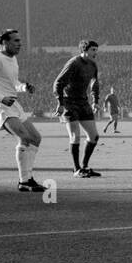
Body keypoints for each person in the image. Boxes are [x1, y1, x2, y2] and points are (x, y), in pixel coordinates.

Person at [0, 28, 45, 192]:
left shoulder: (12, 59)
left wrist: (23, 87)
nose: (20, 44)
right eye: (16, 41)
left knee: (35, 137)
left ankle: (28, 178)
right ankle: (24, 181)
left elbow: (11, 84)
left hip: (12, 102)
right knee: (24, 137)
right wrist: (0, 98)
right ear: (4, 42)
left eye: (20, 41)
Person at [53, 39, 103, 178]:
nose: (95, 53)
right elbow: (58, 82)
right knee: (75, 136)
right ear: (84, 50)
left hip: (83, 102)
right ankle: (76, 169)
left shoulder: (93, 65)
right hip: (69, 102)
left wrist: (95, 101)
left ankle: (85, 167)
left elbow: (94, 82)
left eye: (96, 50)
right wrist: (60, 103)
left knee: (94, 136)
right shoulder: (74, 63)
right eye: (93, 50)